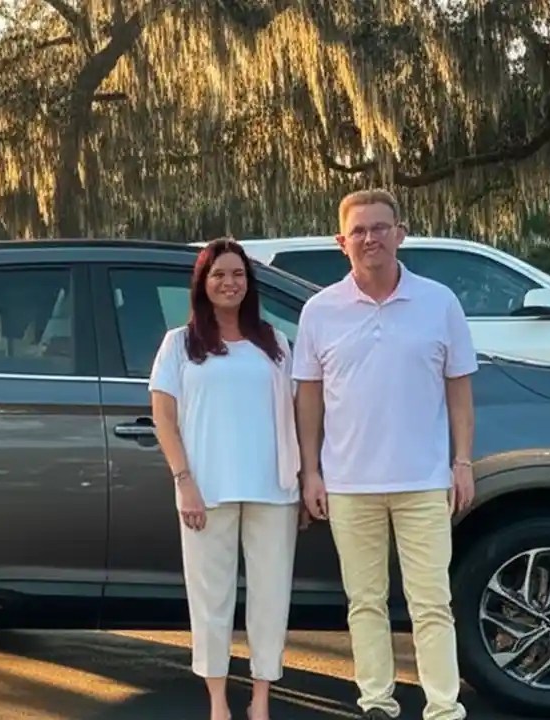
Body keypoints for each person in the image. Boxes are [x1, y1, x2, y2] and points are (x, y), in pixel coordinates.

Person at [291, 189, 477, 720]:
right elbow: (309, 397)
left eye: (380, 227)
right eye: (359, 230)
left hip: (423, 481)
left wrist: (461, 462)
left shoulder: (439, 302)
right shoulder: (319, 311)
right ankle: (377, 701)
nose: (370, 238)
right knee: (365, 602)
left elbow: (459, 390)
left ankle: (443, 707)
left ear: (400, 233)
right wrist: (311, 472)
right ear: (340, 241)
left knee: (432, 604)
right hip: (349, 485)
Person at [148, 237, 303, 720]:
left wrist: (304, 476)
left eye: (237, 274)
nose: (229, 283)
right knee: (211, 599)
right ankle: (217, 700)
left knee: (270, 598)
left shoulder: (275, 343)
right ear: (203, 283)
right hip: (206, 491)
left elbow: (300, 410)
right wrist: (184, 481)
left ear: (248, 282)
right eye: (219, 275)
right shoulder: (180, 344)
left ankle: (261, 697)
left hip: (273, 489)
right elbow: (164, 418)